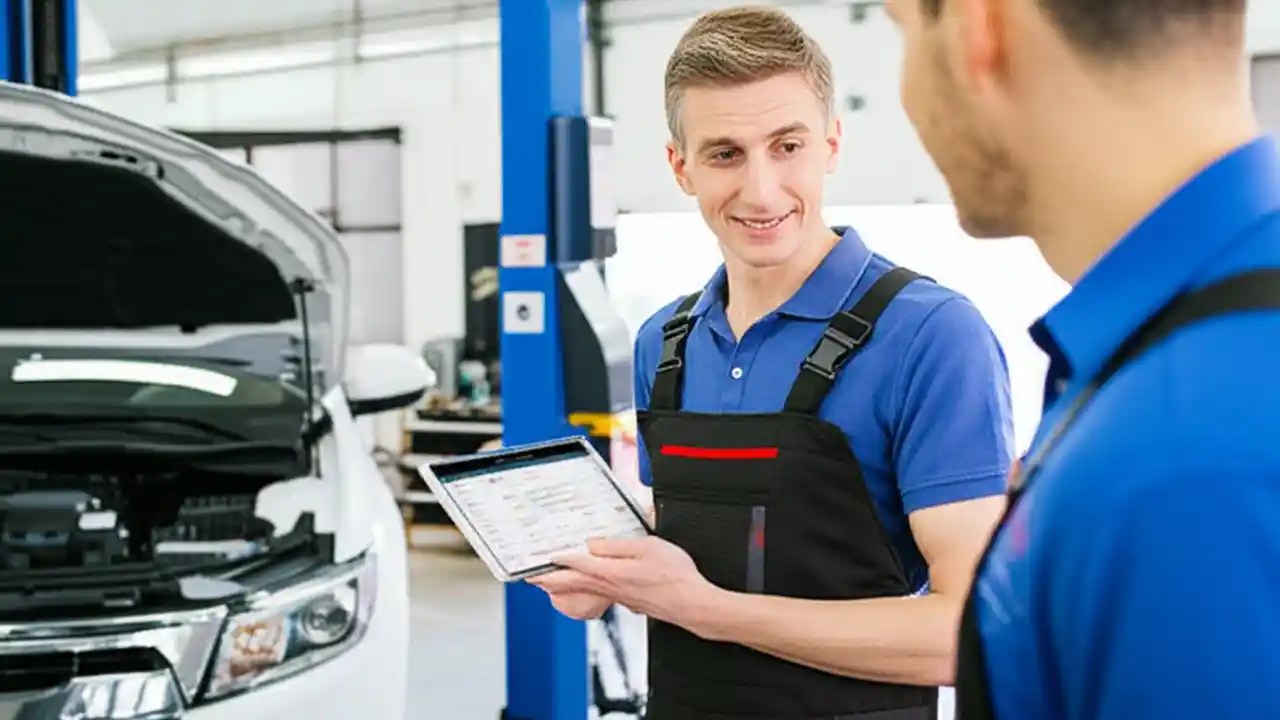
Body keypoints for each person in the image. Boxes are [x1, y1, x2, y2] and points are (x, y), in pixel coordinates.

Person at [529, 7, 1016, 719]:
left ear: (831, 144)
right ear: (680, 167)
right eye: (725, 153)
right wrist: (605, 562)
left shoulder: (932, 336)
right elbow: (705, 527)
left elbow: (968, 633)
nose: (761, 191)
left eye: (786, 146)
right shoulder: (664, 341)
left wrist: (711, 611)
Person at [885, 0, 1280, 718]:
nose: (905, 91)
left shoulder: (1177, 463)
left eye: (901, 31)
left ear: (982, 30)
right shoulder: (1181, 364)